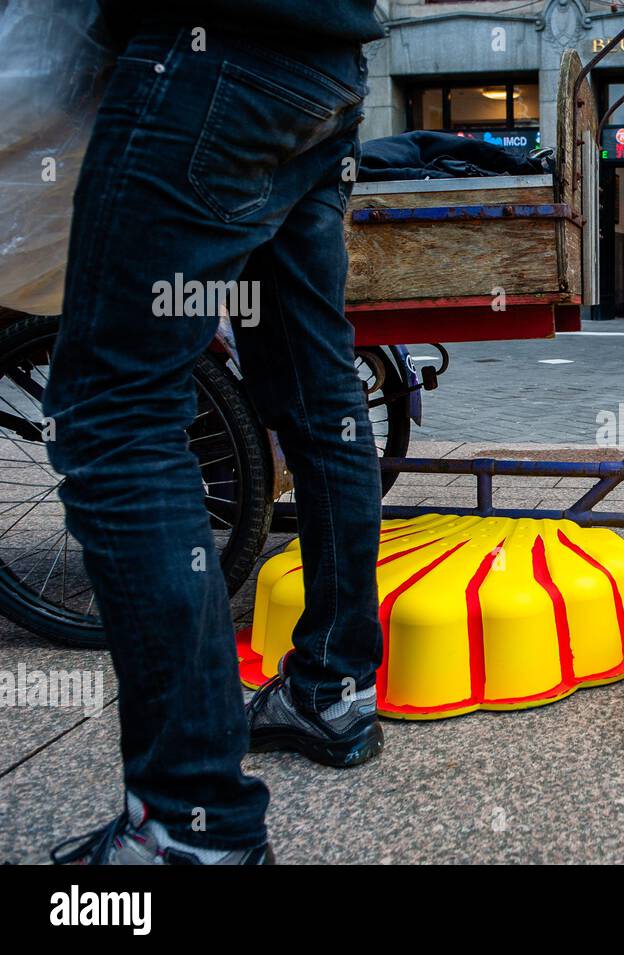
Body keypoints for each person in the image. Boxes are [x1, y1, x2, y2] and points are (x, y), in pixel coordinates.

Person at [44, 0, 388, 865]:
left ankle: (190, 828)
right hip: (327, 66)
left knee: (117, 413)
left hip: (210, 52)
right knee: (321, 394)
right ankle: (333, 689)